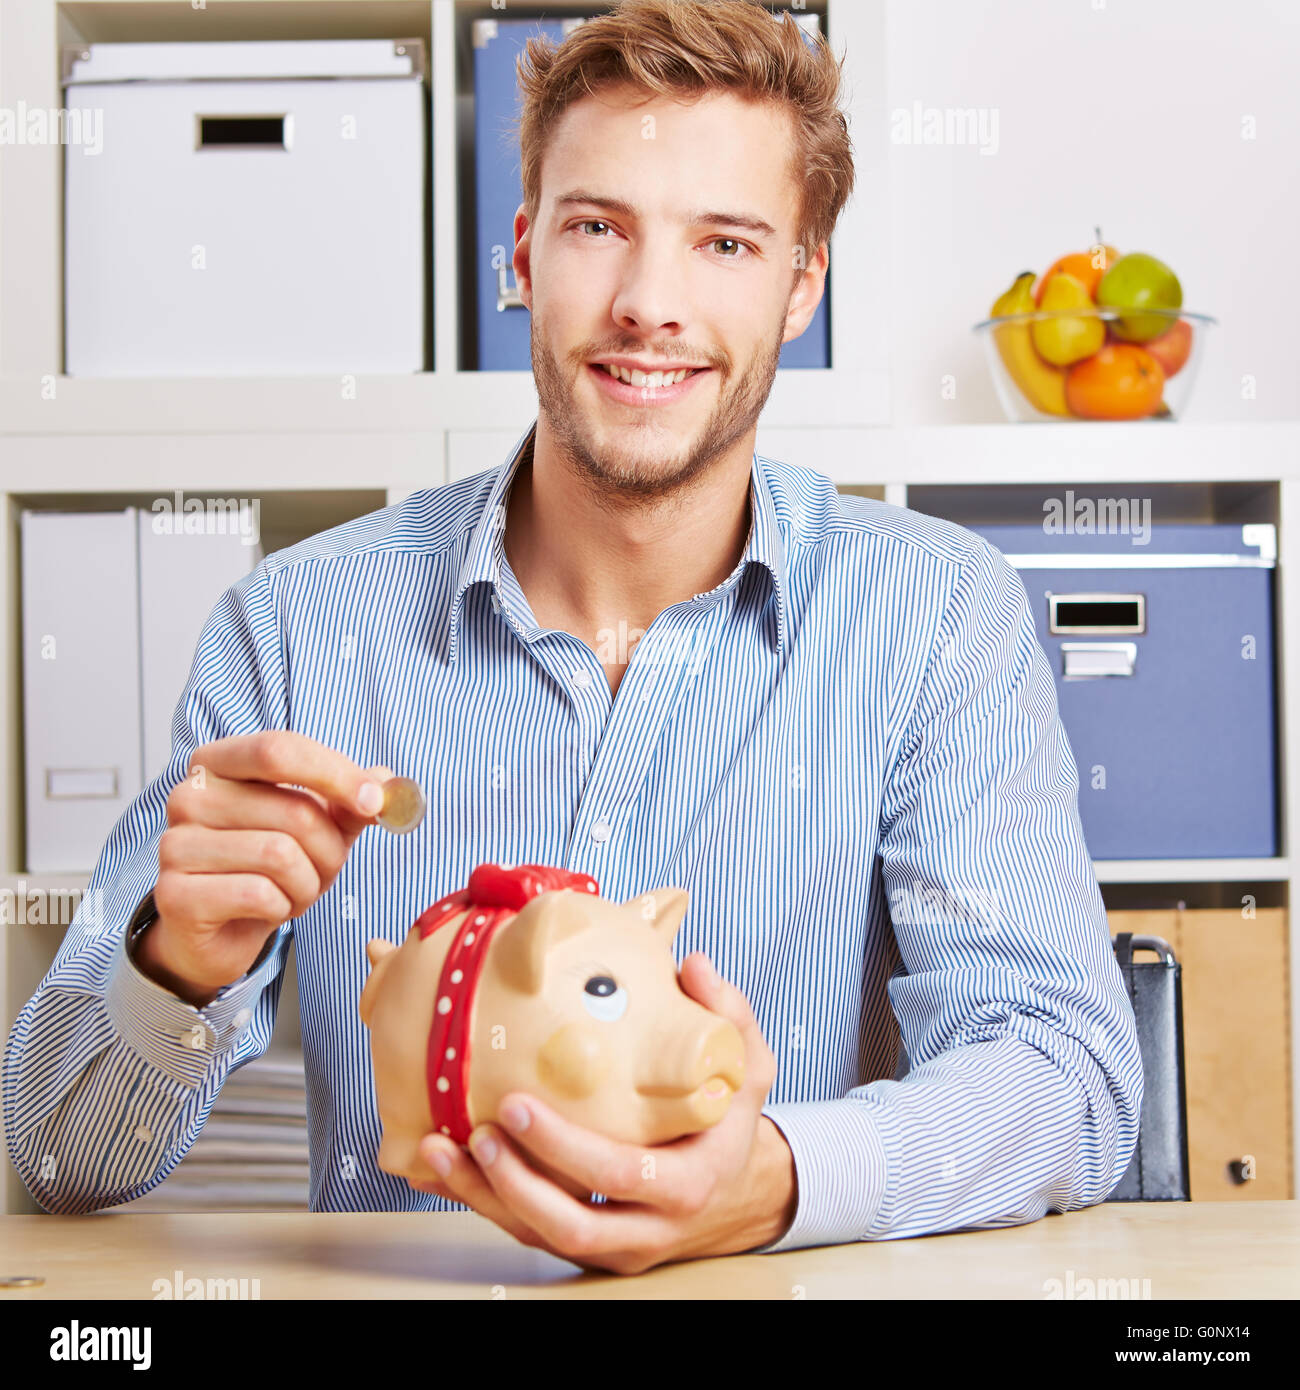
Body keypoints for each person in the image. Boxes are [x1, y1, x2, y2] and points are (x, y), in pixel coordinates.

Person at [3, 0, 1141, 1276]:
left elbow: (1066, 1073)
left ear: (801, 284)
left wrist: (773, 1178)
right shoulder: (292, 629)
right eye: (598, 226)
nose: (650, 305)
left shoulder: (936, 619)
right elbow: (54, 1161)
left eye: (724, 242)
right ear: (525, 257)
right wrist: (175, 966)